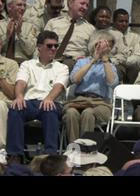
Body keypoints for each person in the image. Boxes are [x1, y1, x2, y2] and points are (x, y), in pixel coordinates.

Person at [6, 31, 69, 160]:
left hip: (51, 102)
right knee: (15, 108)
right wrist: (18, 96)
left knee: (49, 109)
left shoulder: (62, 67)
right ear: (39, 47)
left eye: (55, 46)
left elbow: (59, 86)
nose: (53, 49)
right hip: (30, 102)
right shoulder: (27, 64)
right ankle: (15, 155)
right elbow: (21, 82)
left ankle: (50, 156)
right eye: (49, 45)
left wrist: (49, 98)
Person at [63, 30, 119, 143]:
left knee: (88, 113)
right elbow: (75, 79)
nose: (107, 49)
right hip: (79, 100)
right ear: (95, 44)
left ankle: (85, 149)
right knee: (71, 113)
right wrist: (94, 59)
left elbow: (112, 83)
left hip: (101, 103)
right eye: (105, 45)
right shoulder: (82, 62)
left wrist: (104, 60)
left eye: (109, 47)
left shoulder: (110, 65)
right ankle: (73, 148)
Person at [44, 0, 95, 71]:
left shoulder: (90, 29)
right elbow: (43, 46)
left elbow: (94, 54)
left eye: (87, 5)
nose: (85, 7)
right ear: (71, 3)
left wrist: (86, 59)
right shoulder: (53, 23)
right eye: (82, 3)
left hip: (77, 66)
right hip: (53, 63)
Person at [89, 6, 128, 81]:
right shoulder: (89, 31)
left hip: (111, 64)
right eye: (102, 16)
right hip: (91, 63)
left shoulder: (117, 35)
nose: (104, 19)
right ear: (95, 17)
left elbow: (123, 55)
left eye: (107, 17)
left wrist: (110, 61)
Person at [0, 0, 38, 64]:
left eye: (24, 5)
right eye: (19, 5)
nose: (23, 8)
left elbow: (30, 50)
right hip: (3, 63)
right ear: (9, 6)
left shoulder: (30, 26)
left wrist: (20, 34)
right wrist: (7, 36)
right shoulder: (1, 25)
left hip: (23, 63)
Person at [112, 8, 140, 83]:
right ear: (114, 22)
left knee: (137, 70)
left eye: (126, 21)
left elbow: (138, 57)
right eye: (121, 21)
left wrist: (123, 60)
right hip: (113, 68)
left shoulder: (135, 37)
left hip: (130, 69)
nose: (124, 24)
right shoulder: (108, 35)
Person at [0, 38, 19, 149]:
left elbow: (13, 94)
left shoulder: (11, 64)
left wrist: (1, 79)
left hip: (4, 103)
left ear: (1, 45)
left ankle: (0, 150)